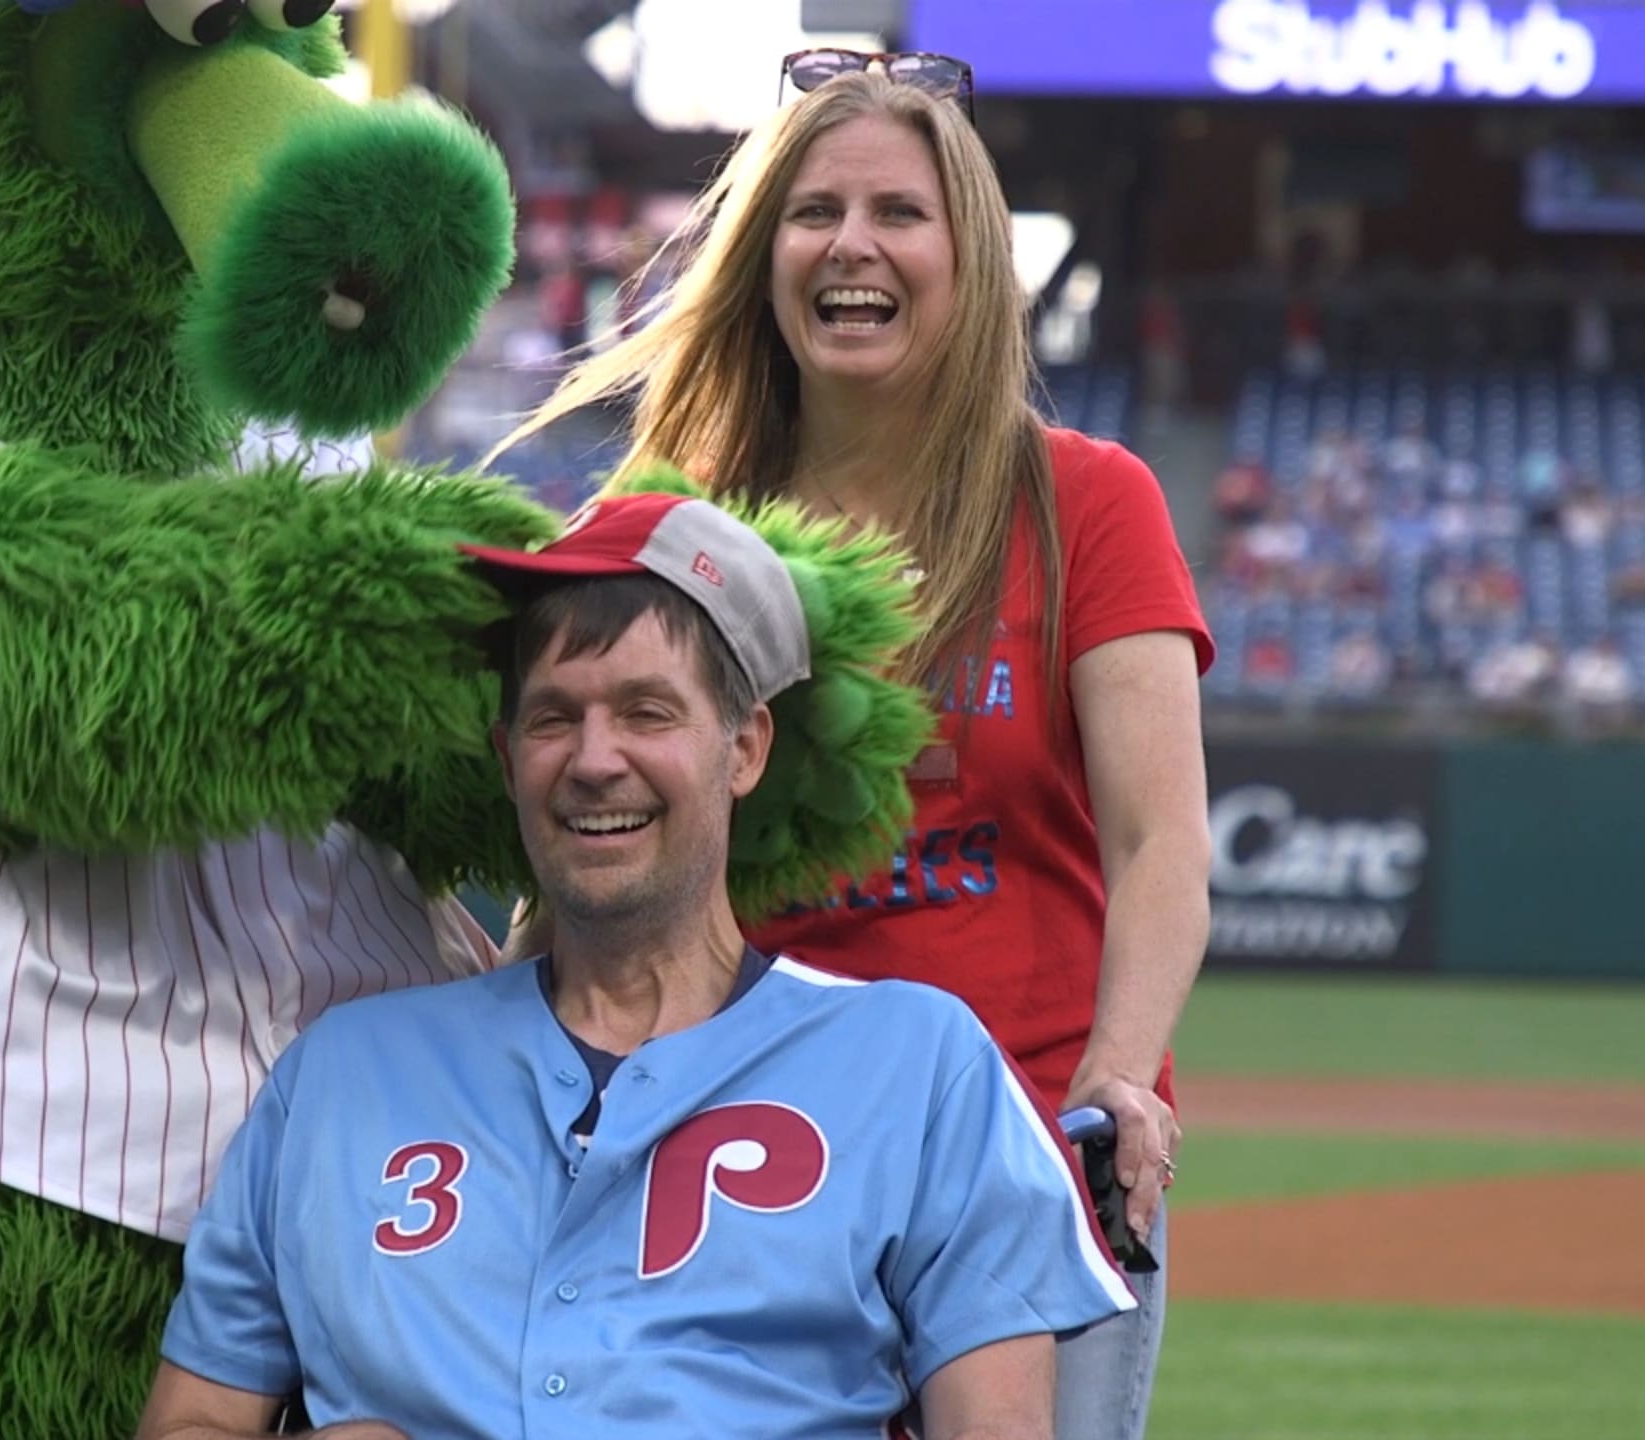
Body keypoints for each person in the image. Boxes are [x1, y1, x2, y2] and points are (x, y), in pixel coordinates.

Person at [489, 60, 1213, 1440]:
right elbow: (595, 829)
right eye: (814, 212)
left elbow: (1162, 844)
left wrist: (1119, 1075)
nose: (853, 246)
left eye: (900, 211)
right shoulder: (680, 528)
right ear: (765, 261)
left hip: (1029, 1167)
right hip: (741, 1165)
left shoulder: (1085, 503)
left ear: (972, 259)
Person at [132, 492, 1136, 1440]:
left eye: (647, 713)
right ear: (505, 753)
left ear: (743, 750)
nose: (594, 758)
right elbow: (195, 1417)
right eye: (553, 717)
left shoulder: (917, 1067)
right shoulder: (342, 1074)